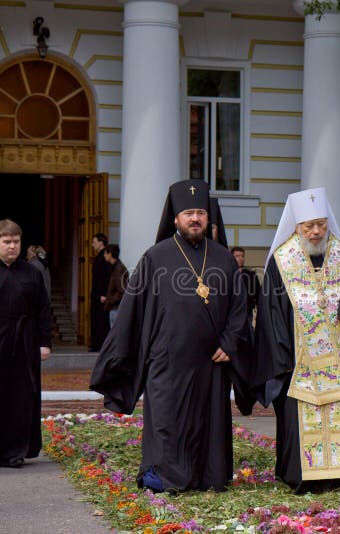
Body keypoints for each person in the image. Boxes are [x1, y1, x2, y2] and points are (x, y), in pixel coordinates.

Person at [90, 179, 251, 493]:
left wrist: (230, 343)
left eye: (201, 213)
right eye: (189, 213)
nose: (195, 218)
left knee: (209, 423)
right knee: (167, 422)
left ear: (208, 218)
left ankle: (208, 477)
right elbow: (132, 311)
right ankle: (165, 477)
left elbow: (239, 308)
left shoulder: (223, 258)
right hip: (167, 361)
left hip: (212, 362)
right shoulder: (156, 257)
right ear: (176, 218)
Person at [254, 187, 340, 494]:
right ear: (297, 227)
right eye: (308, 226)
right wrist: (282, 355)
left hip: (335, 361)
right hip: (296, 361)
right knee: (298, 419)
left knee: (334, 412)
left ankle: (334, 474)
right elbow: (271, 312)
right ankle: (299, 475)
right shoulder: (282, 260)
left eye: (321, 224)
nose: (315, 232)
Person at [0, 220, 52, 468]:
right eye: (7, 242)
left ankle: (16, 451)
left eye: (16, 242)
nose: (12, 246)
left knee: (21, 395)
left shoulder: (32, 272)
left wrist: (44, 342)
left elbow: (43, 308)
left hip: (25, 338)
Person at [90, 232, 111, 351]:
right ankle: (96, 344)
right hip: (97, 295)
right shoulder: (99, 257)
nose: (92, 245)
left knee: (101, 321)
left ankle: (100, 345)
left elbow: (106, 278)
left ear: (101, 243)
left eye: (94, 242)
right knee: (96, 319)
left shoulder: (104, 257)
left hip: (101, 296)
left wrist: (104, 294)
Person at [231, 246, 261, 321]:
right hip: (231, 311)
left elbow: (258, 294)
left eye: (242, 256)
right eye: (237, 256)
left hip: (247, 311)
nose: (241, 258)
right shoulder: (227, 273)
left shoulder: (251, 274)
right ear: (231, 257)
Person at [102, 243, 128, 328]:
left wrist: (110, 300)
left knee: (115, 337)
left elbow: (122, 291)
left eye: (105, 253)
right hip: (116, 308)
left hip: (116, 309)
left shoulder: (118, 269)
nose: (104, 255)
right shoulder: (116, 267)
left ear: (110, 254)